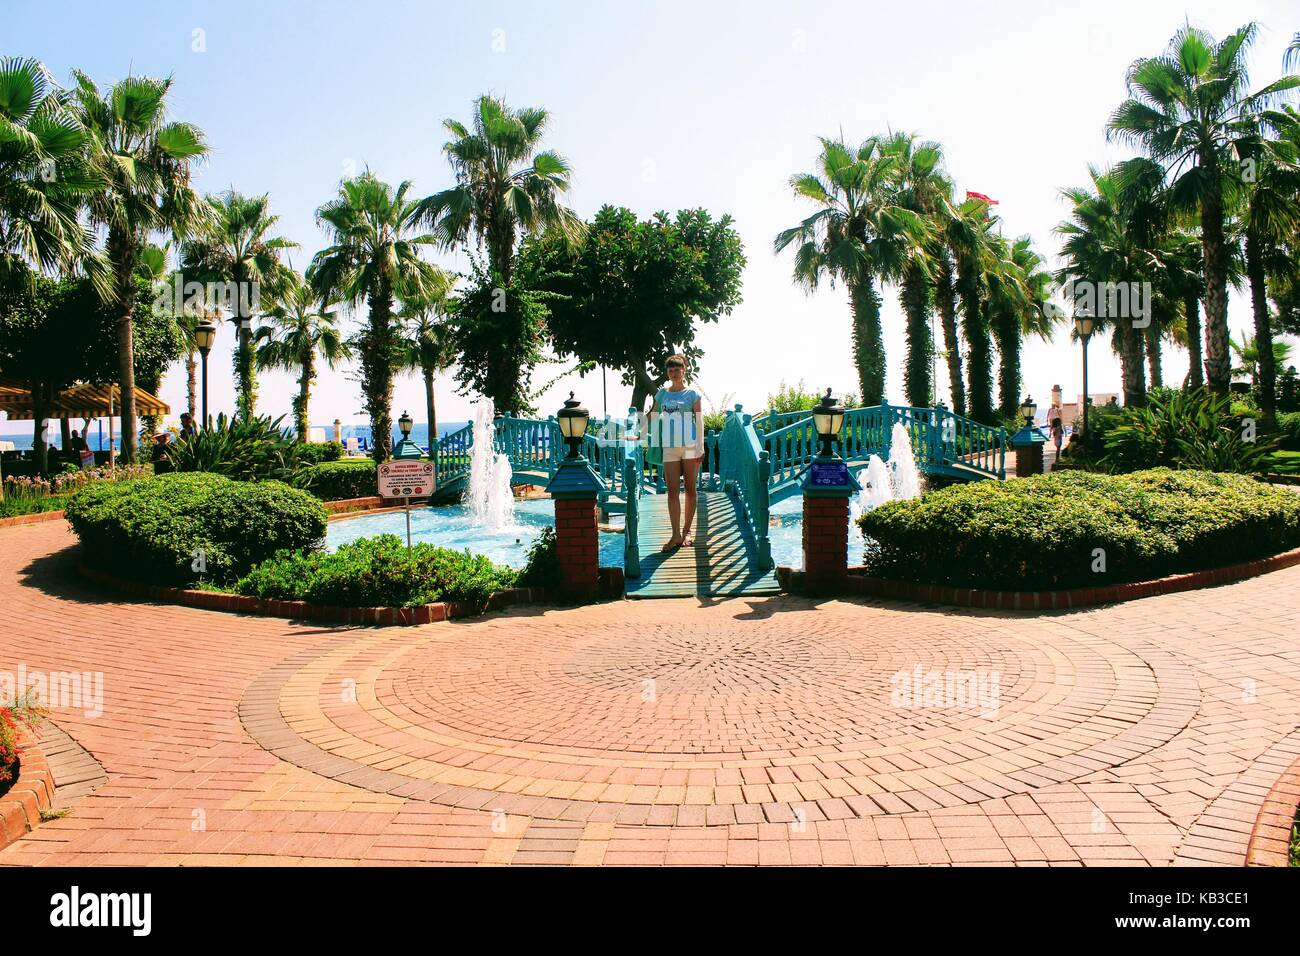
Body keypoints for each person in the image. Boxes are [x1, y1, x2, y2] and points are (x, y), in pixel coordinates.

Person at [649, 354, 705, 550]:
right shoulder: (662, 394)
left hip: (690, 446)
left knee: (690, 490)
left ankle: (687, 531)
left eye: (677, 369)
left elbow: (699, 422)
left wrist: (701, 446)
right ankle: (675, 536)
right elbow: (652, 416)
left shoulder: (692, 395)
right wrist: (634, 433)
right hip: (669, 448)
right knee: (672, 492)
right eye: (670, 370)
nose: (673, 373)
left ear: (684, 370)